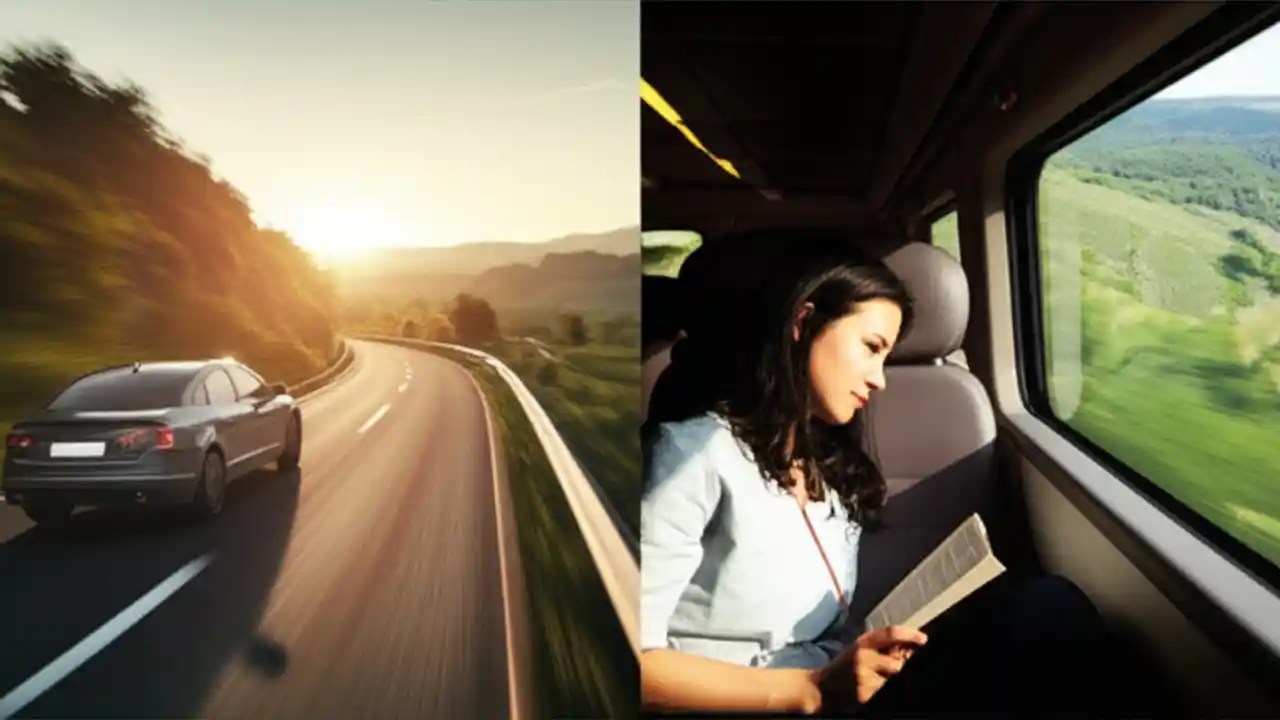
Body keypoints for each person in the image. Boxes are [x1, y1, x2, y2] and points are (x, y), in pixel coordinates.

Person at [640, 241, 1163, 717]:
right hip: (759, 705)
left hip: (834, 689)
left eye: (887, 356)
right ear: (802, 322)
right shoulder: (692, 455)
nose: (880, 379)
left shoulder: (821, 464)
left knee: (1048, 609)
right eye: (871, 347)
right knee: (1046, 614)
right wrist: (810, 689)